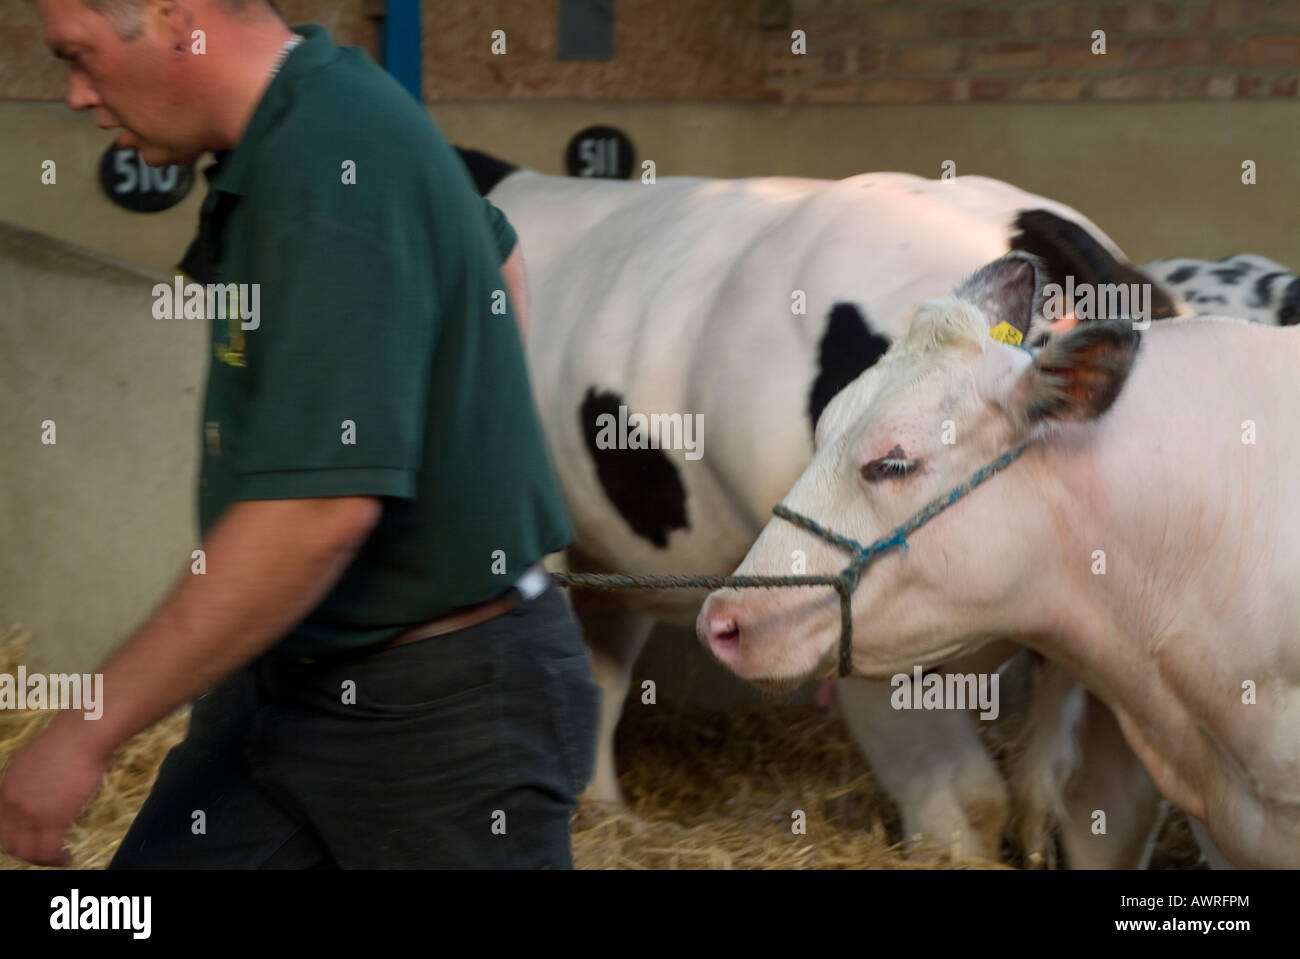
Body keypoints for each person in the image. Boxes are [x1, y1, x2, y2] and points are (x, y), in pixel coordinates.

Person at [1, 0, 599, 868]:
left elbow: (317, 511)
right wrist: (462, 444)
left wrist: (82, 733)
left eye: (80, 57)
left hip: (440, 713)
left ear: (174, 18)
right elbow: (493, 254)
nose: (76, 95)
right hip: (290, 676)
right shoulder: (313, 115)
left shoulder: (328, 162)